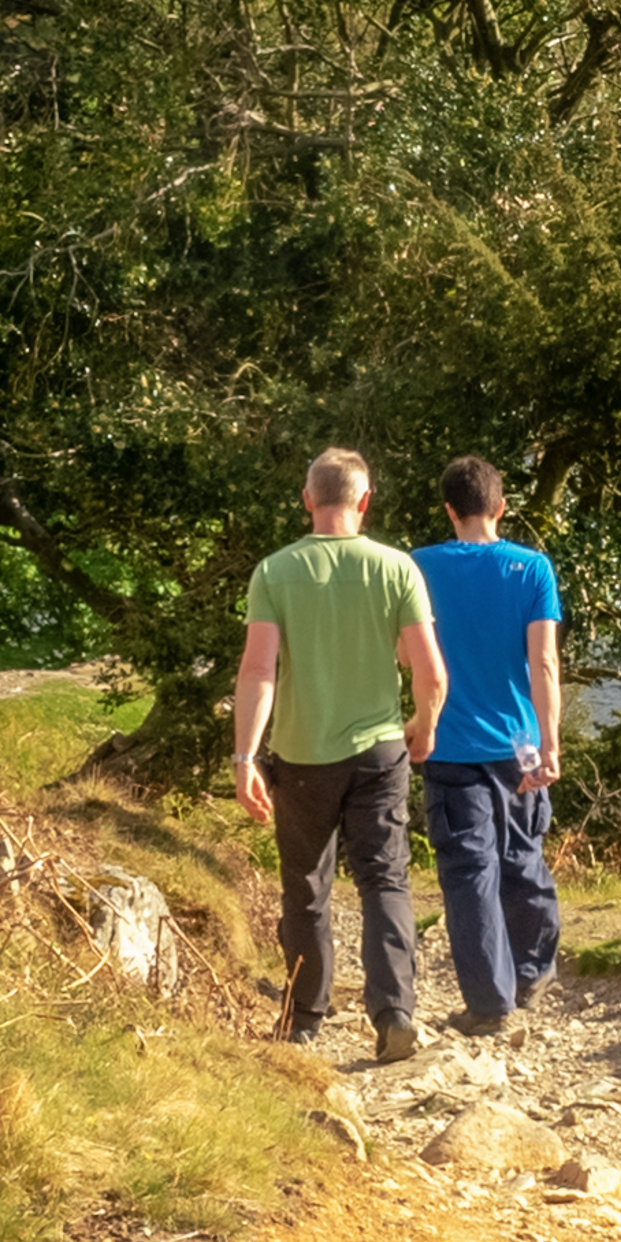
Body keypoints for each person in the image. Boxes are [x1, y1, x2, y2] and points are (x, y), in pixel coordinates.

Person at [230, 447, 445, 1057]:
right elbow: (430, 670)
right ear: (365, 501)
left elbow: (258, 671)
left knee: (305, 887)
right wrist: (424, 726)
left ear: (307, 501)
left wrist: (246, 756)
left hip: (300, 757)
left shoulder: (274, 572)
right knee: (385, 880)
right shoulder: (397, 568)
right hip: (379, 750)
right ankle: (395, 1010)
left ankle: (302, 1021)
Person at [409, 455, 567, 1039]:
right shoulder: (532, 568)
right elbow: (544, 662)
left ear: (449, 509)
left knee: (469, 873)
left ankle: (489, 1004)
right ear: (500, 507)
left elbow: (408, 655)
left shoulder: (418, 568)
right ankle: (531, 973)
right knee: (522, 856)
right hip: (519, 741)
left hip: (448, 741)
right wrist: (550, 744)